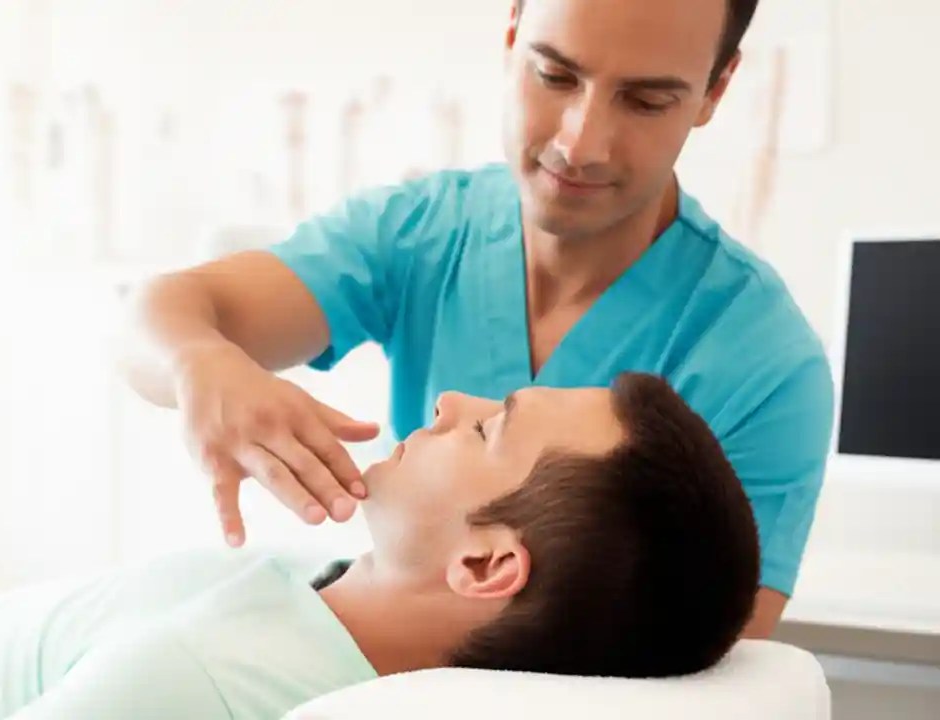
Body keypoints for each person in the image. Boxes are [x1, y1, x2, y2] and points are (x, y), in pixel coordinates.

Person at [121, 0, 833, 639]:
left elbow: (701, 663)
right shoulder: (423, 231)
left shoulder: (761, 361)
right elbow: (155, 318)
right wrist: (199, 364)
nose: (580, 144)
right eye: (555, 76)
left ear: (715, 89)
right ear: (514, 27)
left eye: (646, 101)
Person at [0, 374, 759, 720]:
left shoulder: (195, 683)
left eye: (486, 428)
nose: (450, 398)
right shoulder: (332, 601)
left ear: (482, 566)